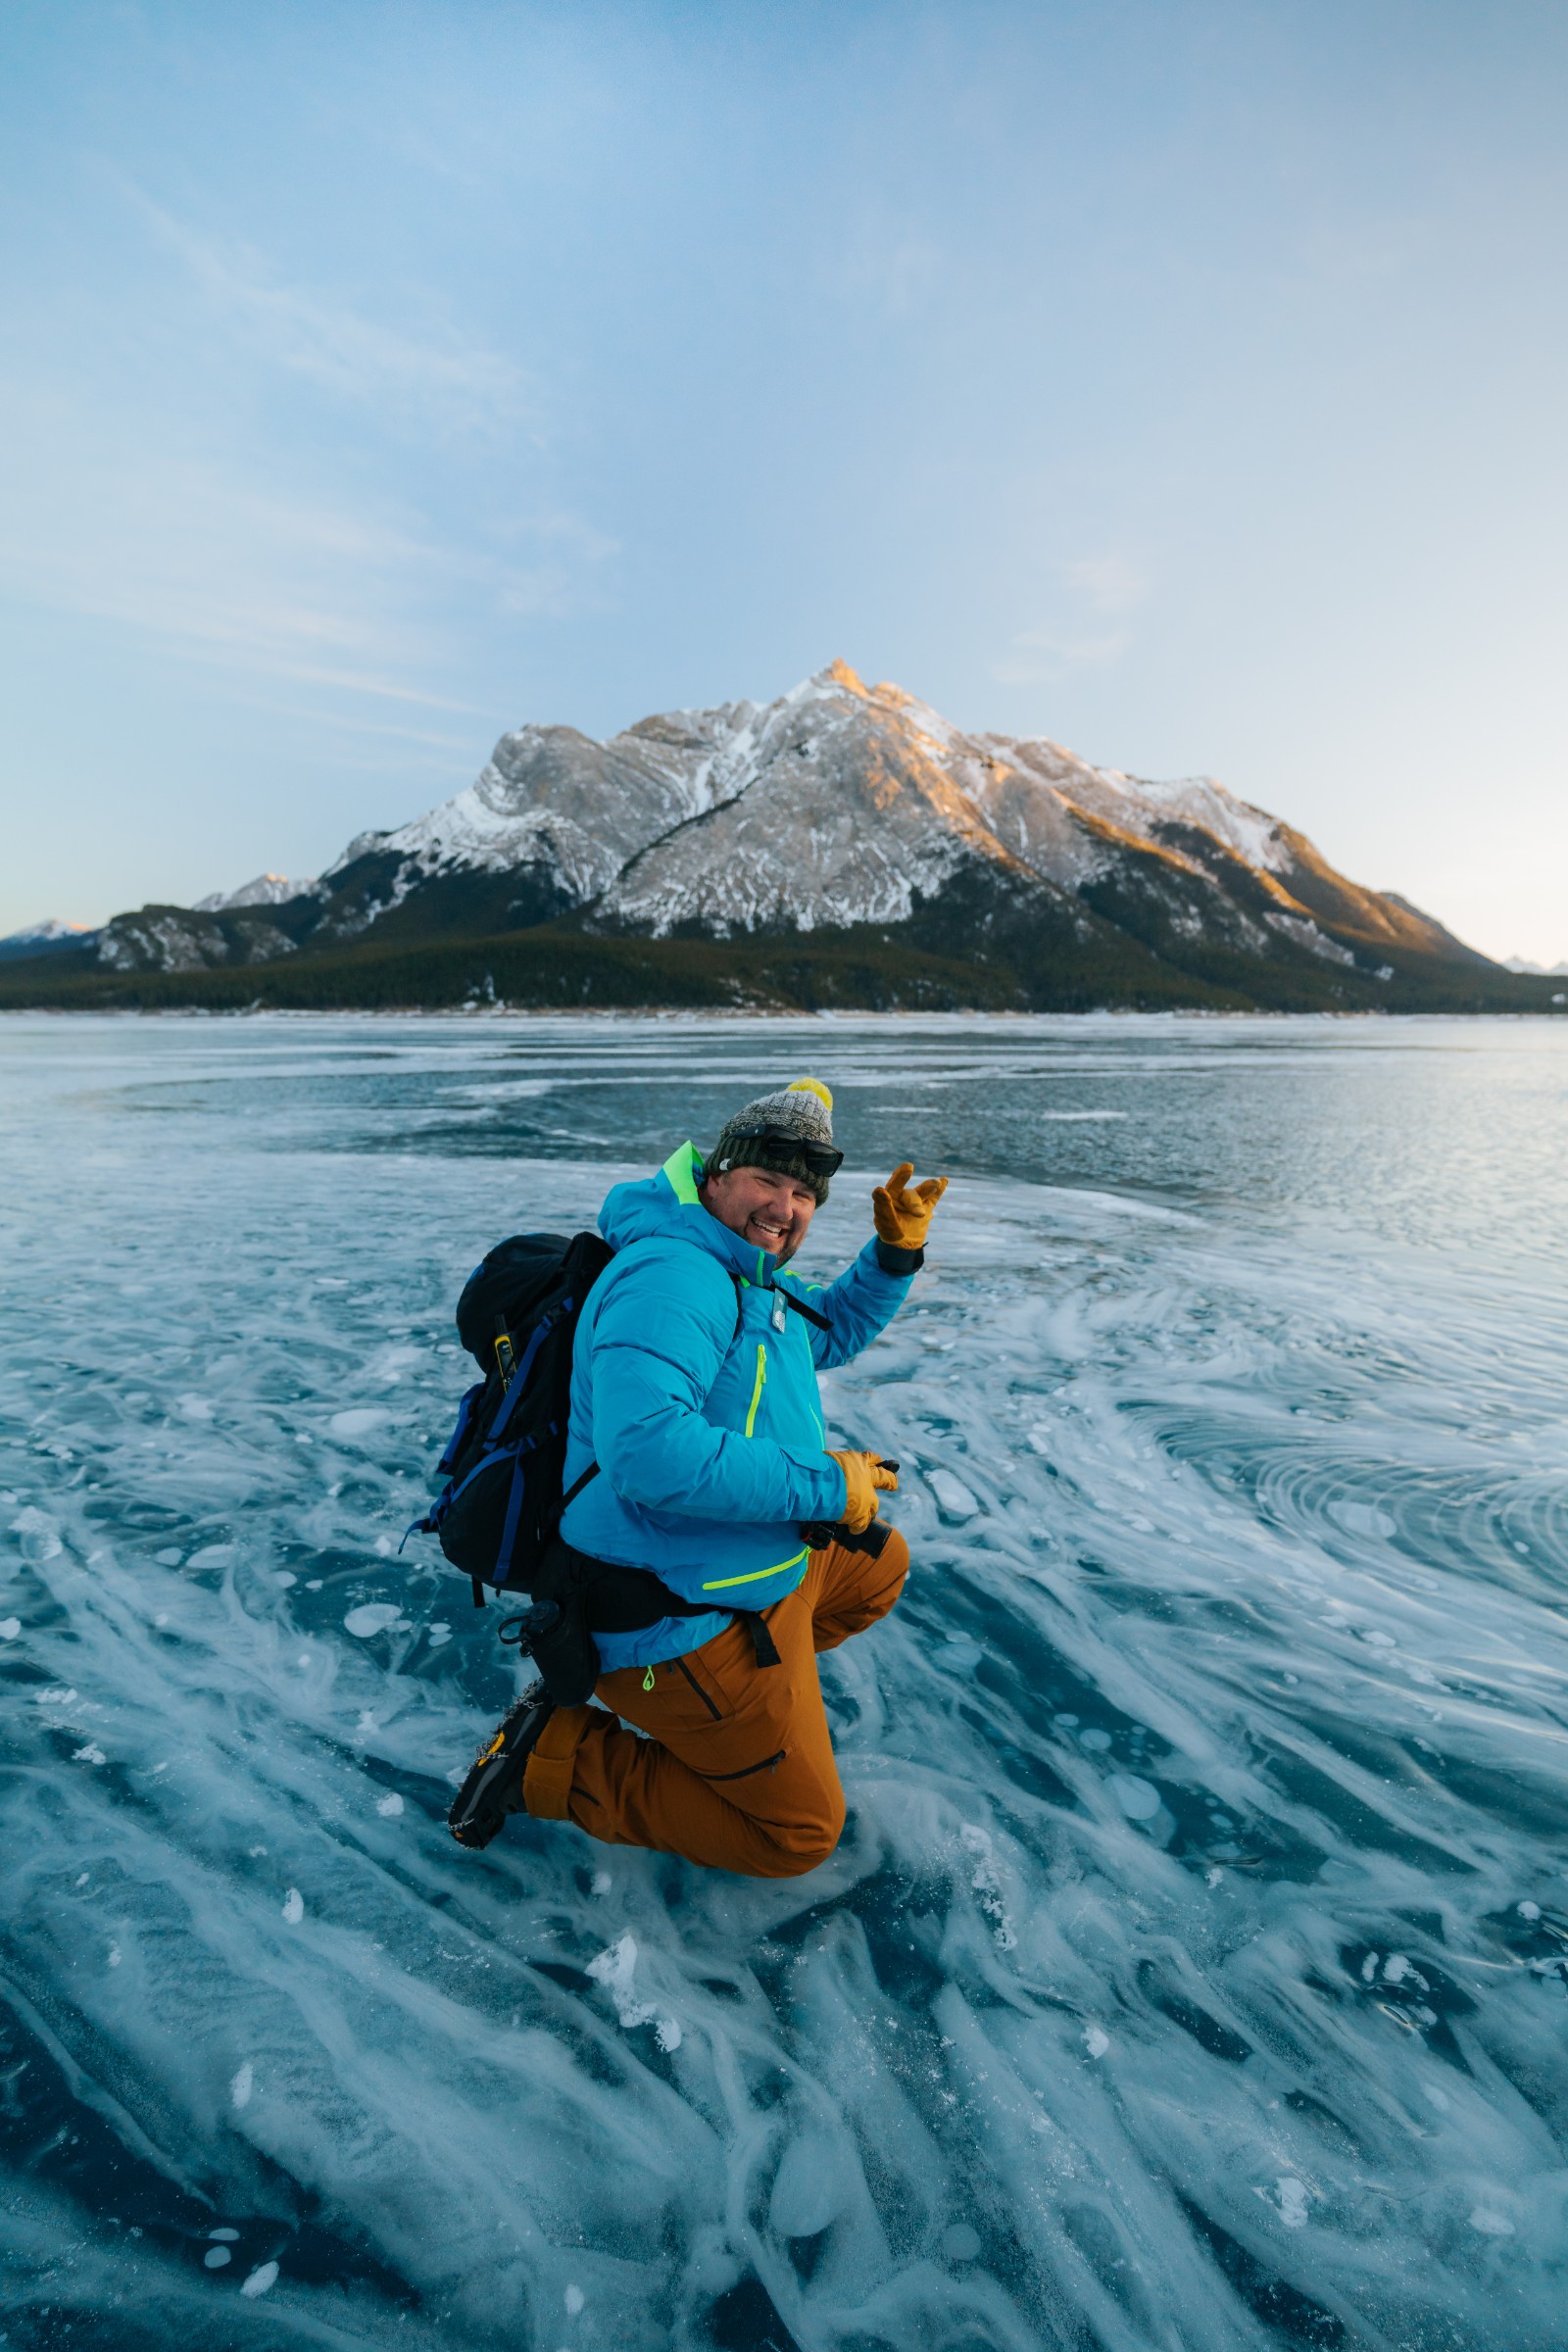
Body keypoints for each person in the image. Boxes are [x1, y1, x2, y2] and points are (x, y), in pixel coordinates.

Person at [449, 1076, 946, 1877]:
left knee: (875, 1567)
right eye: (766, 1182)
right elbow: (648, 1453)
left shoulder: (747, 1274)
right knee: (797, 1836)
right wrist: (826, 1486)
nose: (784, 1207)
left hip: (742, 1567)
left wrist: (893, 1256)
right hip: (676, 1614)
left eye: (802, 1193)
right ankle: (561, 1758)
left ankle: (739, 1722)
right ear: (716, 1176)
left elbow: (830, 1330)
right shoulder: (676, 1278)